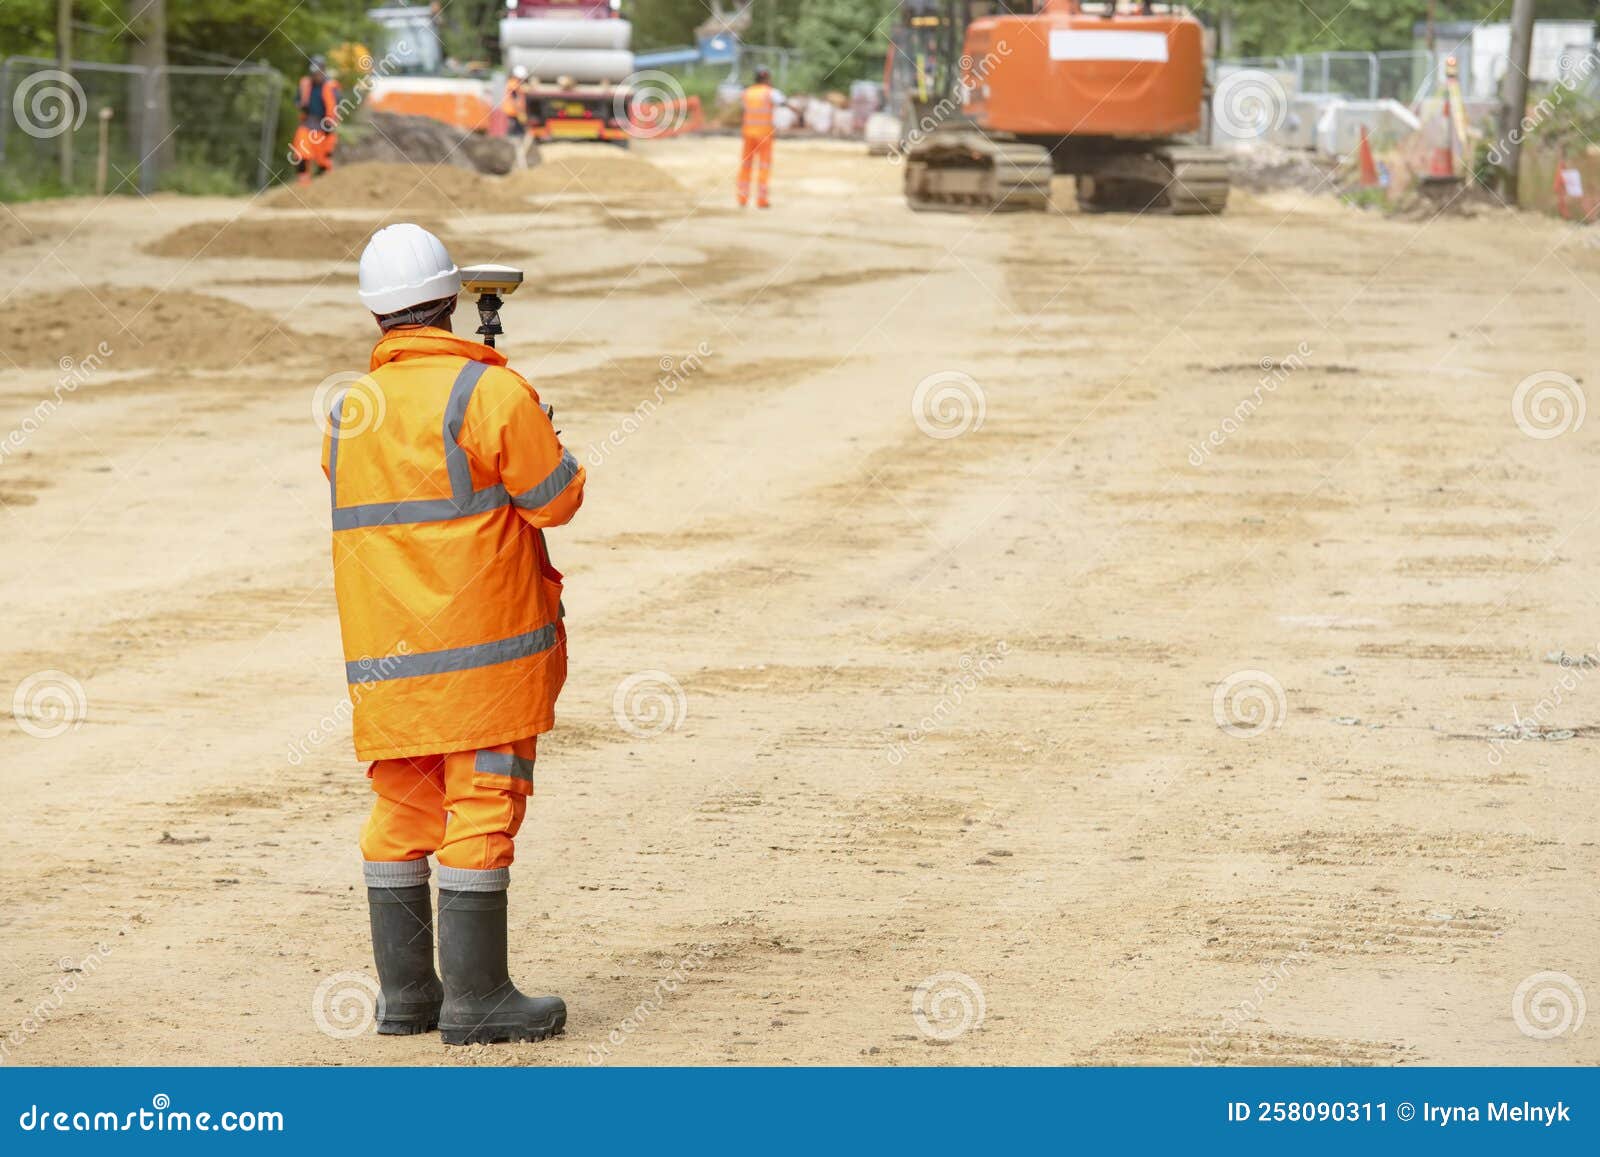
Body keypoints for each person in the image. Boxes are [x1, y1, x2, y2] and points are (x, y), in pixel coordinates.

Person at [322, 224, 585, 1046]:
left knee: (402, 810)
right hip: (485, 659)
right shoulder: (490, 394)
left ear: (377, 316)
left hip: (388, 662)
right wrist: (543, 425)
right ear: (452, 300)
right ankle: (478, 1002)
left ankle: (408, 997)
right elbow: (555, 499)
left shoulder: (345, 410)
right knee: (480, 807)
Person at [737, 66, 782, 209]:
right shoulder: (771, 92)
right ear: (767, 78)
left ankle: (742, 198)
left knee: (746, 166)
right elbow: (782, 102)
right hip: (764, 136)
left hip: (748, 134)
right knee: (763, 167)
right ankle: (761, 200)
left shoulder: (747, 93)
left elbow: (743, 110)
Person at [293, 56, 342, 186]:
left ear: (323, 70)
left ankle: (323, 187)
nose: (316, 75)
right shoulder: (305, 85)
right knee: (301, 153)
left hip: (325, 128)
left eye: (318, 72)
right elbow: (297, 101)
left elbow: (337, 107)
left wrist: (329, 124)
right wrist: (301, 106)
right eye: (314, 73)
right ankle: (303, 185)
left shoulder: (331, 87)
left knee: (324, 161)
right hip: (308, 124)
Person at [502, 64, 534, 169]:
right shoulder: (513, 85)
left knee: (519, 137)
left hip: (514, 114)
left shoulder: (515, 84)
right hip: (513, 115)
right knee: (516, 139)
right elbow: (515, 101)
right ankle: (517, 163)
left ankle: (519, 163)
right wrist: (521, 113)